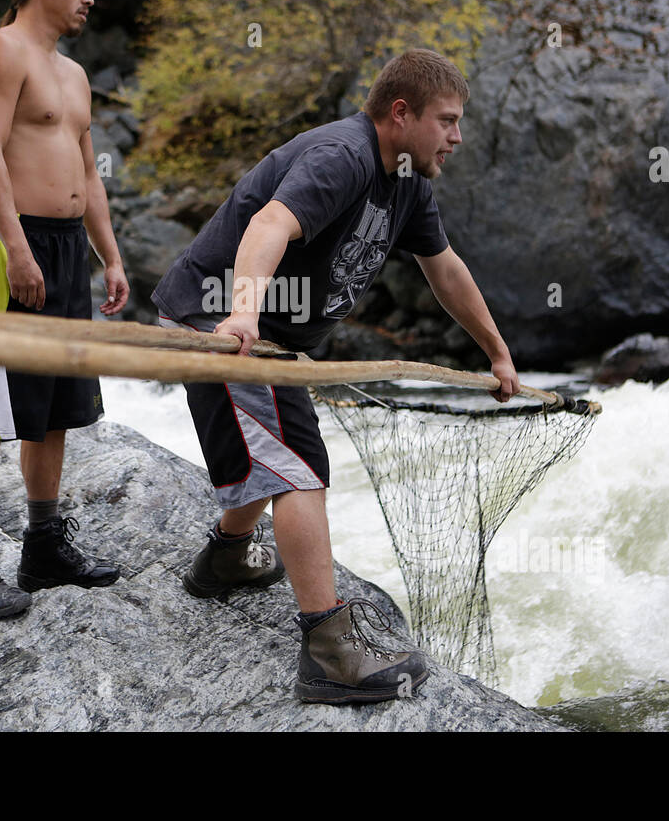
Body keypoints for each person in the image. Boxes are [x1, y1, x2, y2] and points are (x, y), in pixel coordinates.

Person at [152, 49, 521, 702]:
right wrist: (241, 314)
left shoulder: (407, 180)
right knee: (298, 464)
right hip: (222, 326)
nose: (457, 138)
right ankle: (326, 650)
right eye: (448, 121)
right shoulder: (343, 157)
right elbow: (270, 223)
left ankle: (228, 557)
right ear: (400, 113)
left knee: (272, 448)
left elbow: (446, 270)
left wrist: (496, 353)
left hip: (274, 340)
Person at [0, 0, 130, 620]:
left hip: (65, 250)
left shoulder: (74, 75)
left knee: (52, 406)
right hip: (11, 244)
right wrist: (15, 250)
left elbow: (88, 175)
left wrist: (109, 256)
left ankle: (43, 546)